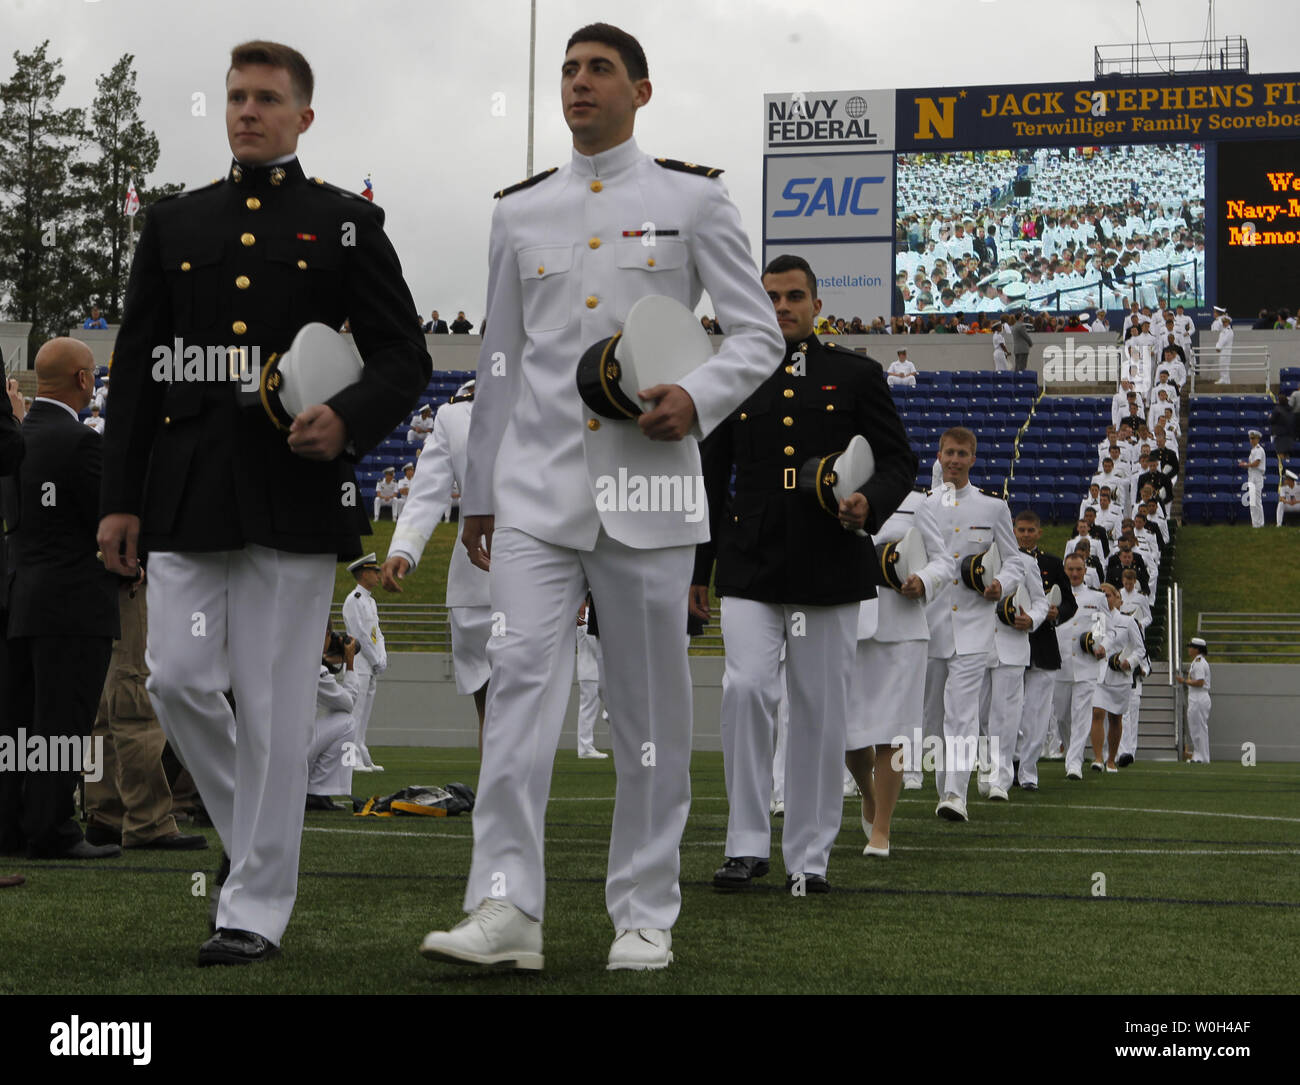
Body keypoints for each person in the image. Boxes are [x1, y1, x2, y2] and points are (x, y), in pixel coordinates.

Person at [419, 23, 782, 973]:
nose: (579, 83)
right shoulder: (519, 213)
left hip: (649, 490)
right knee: (519, 692)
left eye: (599, 70)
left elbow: (755, 336)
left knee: (648, 713)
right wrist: (482, 487)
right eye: (570, 70)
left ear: (641, 91)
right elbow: (499, 357)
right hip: (536, 494)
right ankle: (505, 910)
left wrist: (696, 399)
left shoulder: (693, 200)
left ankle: (644, 909)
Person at [96, 40, 430, 966]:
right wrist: (117, 499)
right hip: (188, 482)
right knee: (177, 677)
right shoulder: (174, 223)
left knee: (279, 706)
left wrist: (348, 419)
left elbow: (404, 355)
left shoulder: (349, 222)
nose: (248, 112)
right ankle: (256, 843)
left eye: (267, 99)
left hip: (293, 484)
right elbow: (134, 369)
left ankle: (255, 906)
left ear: (303, 117)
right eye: (237, 97)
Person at [695, 254, 914, 892]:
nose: (783, 307)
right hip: (750, 563)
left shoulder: (856, 374)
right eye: (771, 297)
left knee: (820, 712)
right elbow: (709, 480)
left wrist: (869, 502)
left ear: (817, 305)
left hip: (828, 564)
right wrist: (697, 573)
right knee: (746, 691)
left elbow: (898, 461)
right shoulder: (731, 374)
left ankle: (810, 858)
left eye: (794, 296)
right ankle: (745, 845)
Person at [3, 339, 122, 860]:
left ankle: (12, 826)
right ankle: (52, 829)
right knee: (64, 721)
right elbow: (107, 527)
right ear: (81, 380)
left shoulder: (17, 438)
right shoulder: (80, 444)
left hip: (19, 597)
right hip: (72, 603)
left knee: (18, 723)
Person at [919, 427, 1030, 821]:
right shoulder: (924, 505)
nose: (954, 459)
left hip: (973, 626)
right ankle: (941, 785)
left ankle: (955, 793)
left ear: (972, 458)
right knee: (931, 716)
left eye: (961, 453)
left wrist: (1001, 584)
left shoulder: (992, 507)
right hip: (930, 625)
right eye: (948, 452)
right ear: (939, 454)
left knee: (962, 713)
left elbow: (1014, 559)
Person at [383, 380, 492, 748]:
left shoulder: (550, 395)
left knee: (531, 705)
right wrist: (404, 548)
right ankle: (499, 805)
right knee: (492, 709)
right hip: (477, 582)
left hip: (546, 578)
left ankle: (522, 802)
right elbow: (427, 490)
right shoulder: (455, 413)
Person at [847, 490, 952, 851]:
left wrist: (924, 580)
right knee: (851, 737)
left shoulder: (916, 502)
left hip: (903, 628)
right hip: (848, 624)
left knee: (894, 734)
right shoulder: (836, 489)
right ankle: (869, 792)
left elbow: (942, 561)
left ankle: (883, 828)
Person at [84, 567, 209, 851]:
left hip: (100, 581)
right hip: (130, 579)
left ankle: (105, 813)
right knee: (134, 695)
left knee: (107, 703)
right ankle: (147, 819)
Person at [1014, 510, 1077, 791]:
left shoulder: (1052, 563)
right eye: (1021, 530)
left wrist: (1056, 613)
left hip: (1042, 645)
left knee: (1037, 715)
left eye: (1030, 530)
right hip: (1010, 643)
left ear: (1039, 533)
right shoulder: (1005, 560)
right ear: (1014, 531)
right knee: (1009, 712)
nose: (1026, 535)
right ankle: (1009, 765)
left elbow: (1070, 603)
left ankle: (1028, 771)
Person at [1053, 551, 1110, 779]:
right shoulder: (1054, 595)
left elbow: (1102, 629)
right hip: (1060, 664)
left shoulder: (1096, 598)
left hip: (1086, 665)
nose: (1075, 573)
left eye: (1078, 569)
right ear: (1064, 570)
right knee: (1062, 717)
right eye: (1070, 569)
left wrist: (1100, 645)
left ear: (1085, 571)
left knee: (1081, 715)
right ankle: (1070, 752)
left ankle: (1074, 762)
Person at [1091, 583, 1147, 772]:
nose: (1105, 599)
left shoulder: (1128, 621)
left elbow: (1141, 650)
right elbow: (1095, 645)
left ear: (1116, 598)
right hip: (1100, 675)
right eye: (1102, 595)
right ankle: (1098, 758)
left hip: (1120, 677)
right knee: (1097, 713)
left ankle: (1111, 760)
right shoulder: (1098, 620)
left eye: (1108, 595)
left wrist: (1128, 662)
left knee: (1116, 719)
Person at [307, 625, 360, 810]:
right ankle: (317, 792)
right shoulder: (313, 667)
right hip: (289, 753)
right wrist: (350, 664)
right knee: (347, 723)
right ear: (325, 634)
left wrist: (327, 660)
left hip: (259, 748)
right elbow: (347, 703)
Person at [342, 553, 387, 772]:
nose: (378, 575)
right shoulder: (354, 600)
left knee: (365, 712)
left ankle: (360, 748)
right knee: (355, 712)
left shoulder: (370, 601)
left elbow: (376, 632)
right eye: (374, 571)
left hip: (371, 664)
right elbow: (358, 633)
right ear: (363, 574)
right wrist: (374, 658)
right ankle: (351, 758)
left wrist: (382, 656)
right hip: (359, 663)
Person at [1177, 637, 1212, 762]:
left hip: (1199, 696)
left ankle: (1202, 757)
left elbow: (1200, 682)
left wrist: (1184, 681)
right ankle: (1199, 755)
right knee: (1195, 727)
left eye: (1191, 647)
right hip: (1196, 697)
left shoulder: (1199, 663)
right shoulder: (1197, 662)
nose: (1189, 649)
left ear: (1197, 649)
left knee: (1199, 728)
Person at [1238, 429, 1266, 529]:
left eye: (1253, 438)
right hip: (1252, 476)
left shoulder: (1259, 449)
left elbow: (1256, 463)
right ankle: (1255, 524)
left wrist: (1246, 464)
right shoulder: (1253, 450)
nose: (1251, 440)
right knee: (1253, 502)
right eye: (1250, 438)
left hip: (1257, 476)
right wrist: (1247, 465)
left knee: (1257, 501)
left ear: (1258, 439)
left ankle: (1260, 524)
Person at [1211, 307, 1233, 384]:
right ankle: (1225, 380)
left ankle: (1225, 380)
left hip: (1225, 350)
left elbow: (1223, 340)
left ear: (1228, 322)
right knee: (1222, 364)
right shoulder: (1224, 330)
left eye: (1225, 322)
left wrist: (1218, 347)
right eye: (1223, 322)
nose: (1224, 323)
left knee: (1224, 364)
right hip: (1223, 350)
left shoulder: (1227, 331)